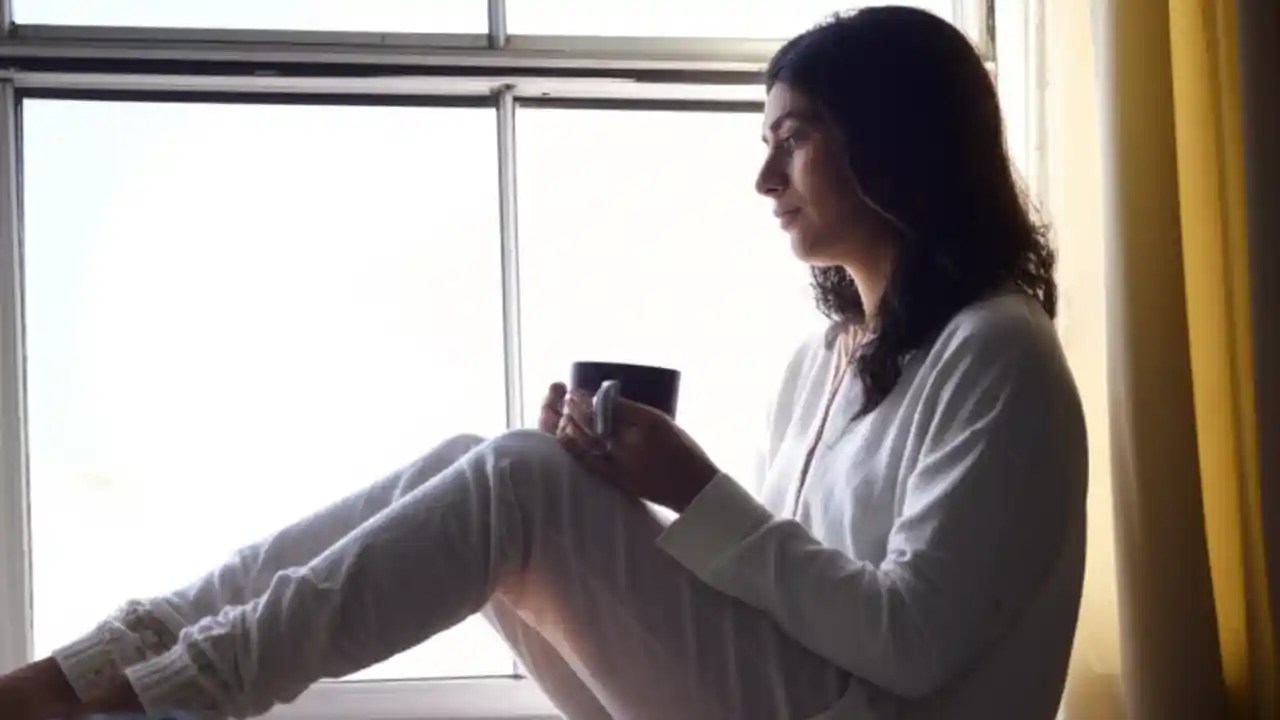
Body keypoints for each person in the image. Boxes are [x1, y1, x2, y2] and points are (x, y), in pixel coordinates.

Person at [0, 6, 1087, 719]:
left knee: (518, 480)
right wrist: (638, 500)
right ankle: (115, 662)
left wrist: (693, 492)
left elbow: (904, 644)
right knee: (495, 465)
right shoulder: (825, 361)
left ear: (894, 141)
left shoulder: (997, 354)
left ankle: (165, 696)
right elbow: (792, 595)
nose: (765, 178)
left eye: (792, 137)